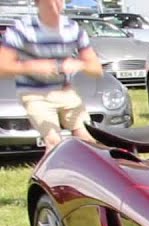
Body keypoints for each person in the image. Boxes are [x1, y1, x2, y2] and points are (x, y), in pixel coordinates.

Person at [0, 0, 102, 151]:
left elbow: (96, 69)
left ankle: (86, 173)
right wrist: (32, 66)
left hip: (65, 92)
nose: (55, 4)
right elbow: (3, 67)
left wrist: (79, 64)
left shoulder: (73, 28)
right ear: (38, 3)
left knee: (88, 140)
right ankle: (50, 174)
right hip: (35, 94)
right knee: (54, 141)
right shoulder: (22, 29)